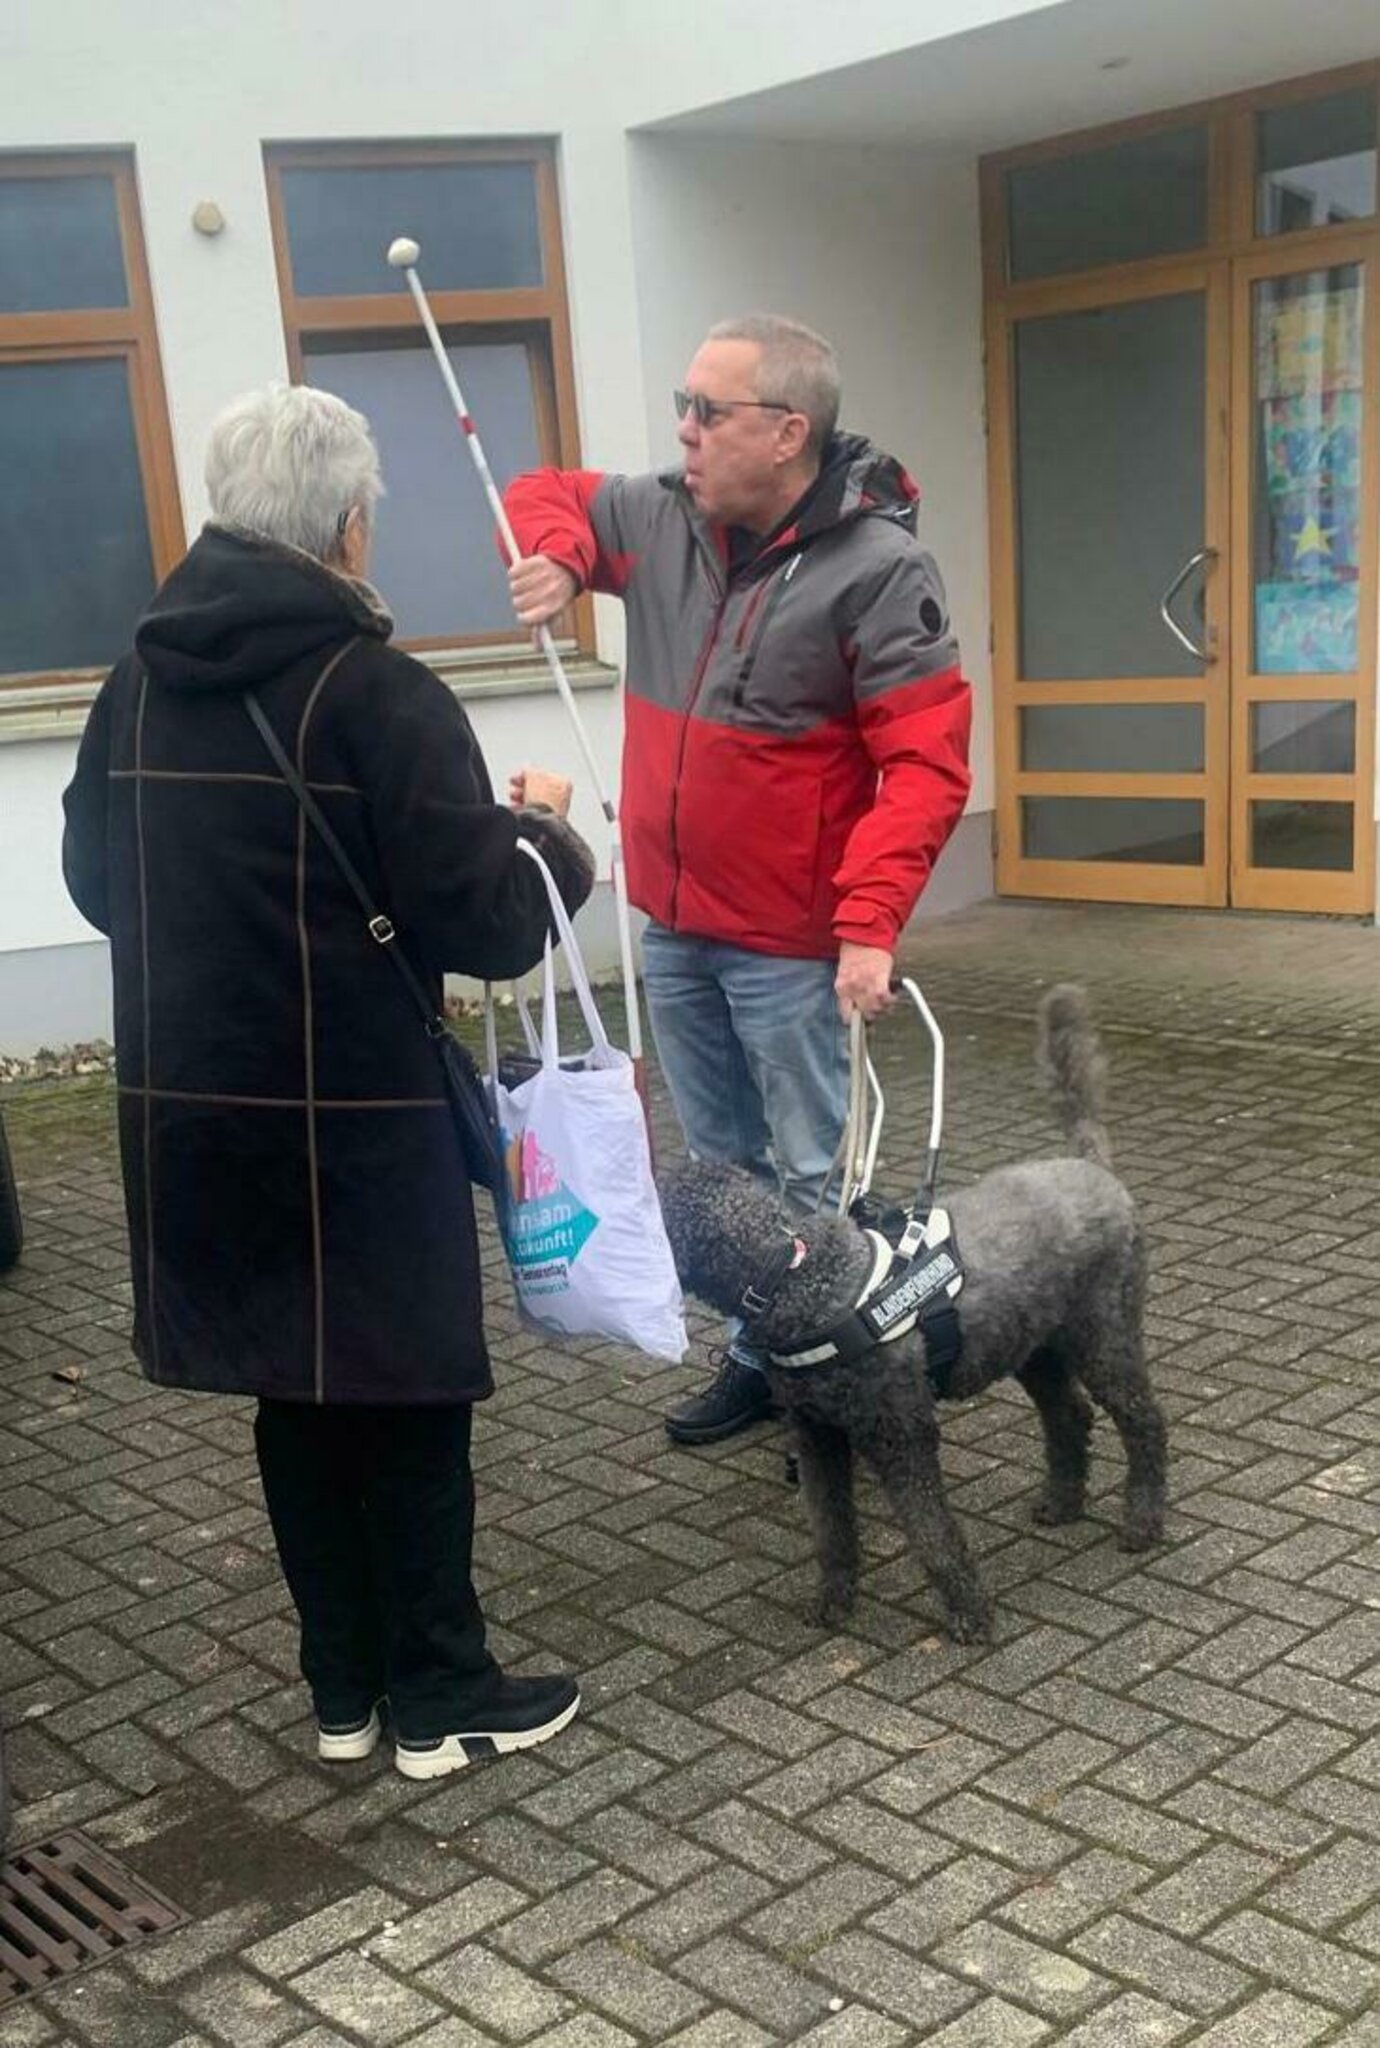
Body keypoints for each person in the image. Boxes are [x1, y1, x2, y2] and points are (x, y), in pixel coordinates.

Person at [62, 384, 593, 1780]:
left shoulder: (134, 679)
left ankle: (342, 1692)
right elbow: (486, 925)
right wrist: (546, 834)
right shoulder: (379, 692)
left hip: (196, 1111)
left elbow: (91, 879)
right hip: (358, 1115)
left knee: (290, 1393)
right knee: (405, 1392)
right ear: (350, 522)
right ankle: (441, 1692)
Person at [504, 314, 972, 1444]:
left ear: (788, 432)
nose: (686, 431)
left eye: (710, 412)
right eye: (683, 406)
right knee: (719, 1170)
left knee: (809, 1170)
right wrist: (561, 559)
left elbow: (924, 765)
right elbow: (540, 487)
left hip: (787, 941)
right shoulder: (666, 515)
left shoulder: (880, 569)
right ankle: (761, 1357)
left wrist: (867, 923)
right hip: (674, 921)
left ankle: (834, 1371)